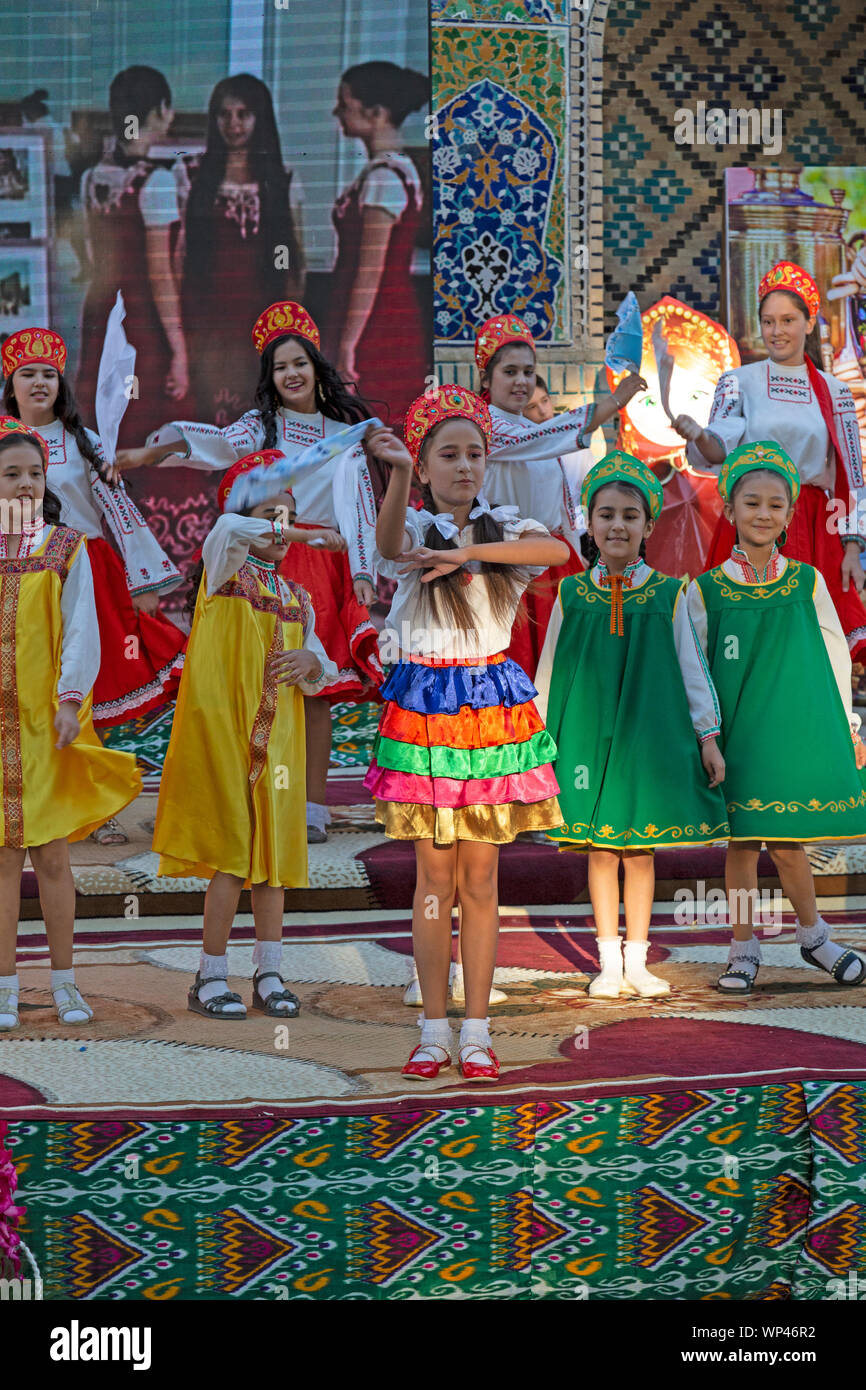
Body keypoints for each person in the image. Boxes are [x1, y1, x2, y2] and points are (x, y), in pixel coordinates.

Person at [365, 385, 567, 1080]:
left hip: (488, 708)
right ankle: (431, 1027)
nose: (463, 467)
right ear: (422, 467)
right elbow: (389, 544)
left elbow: (561, 551)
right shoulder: (418, 529)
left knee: (481, 878)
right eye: (447, 455)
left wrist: (474, 556)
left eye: (474, 454)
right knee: (433, 876)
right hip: (426, 708)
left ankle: (476, 1030)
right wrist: (395, 479)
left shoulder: (503, 527)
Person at [137, 301, 382, 842]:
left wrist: (362, 570)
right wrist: (158, 449)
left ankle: (311, 806)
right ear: (270, 379)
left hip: (329, 559)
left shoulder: (347, 431)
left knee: (315, 683)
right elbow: (219, 445)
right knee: (261, 681)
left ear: (317, 368)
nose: (291, 374)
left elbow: (361, 504)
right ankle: (251, 796)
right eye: (279, 367)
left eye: (300, 362)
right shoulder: (262, 426)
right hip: (271, 552)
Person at [535, 452, 728, 999]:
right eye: (605, 514)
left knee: (640, 848)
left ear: (648, 525)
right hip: (587, 733)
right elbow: (550, 669)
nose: (616, 524)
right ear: (588, 523)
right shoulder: (571, 594)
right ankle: (608, 962)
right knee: (598, 847)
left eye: (629, 515)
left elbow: (695, 669)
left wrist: (707, 738)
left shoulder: (672, 594)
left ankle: (638, 959)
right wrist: (539, 741)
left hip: (646, 733)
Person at [152, 450, 336, 1020]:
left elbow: (322, 674)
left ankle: (270, 971)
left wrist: (310, 659)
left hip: (278, 748)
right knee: (231, 856)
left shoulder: (297, 599)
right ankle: (209, 975)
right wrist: (302, 529)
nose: (281, 530)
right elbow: (232, 524)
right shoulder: (224, 569)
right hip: (226, 736)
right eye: (272, 517)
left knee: (275, 862)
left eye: (289, 515)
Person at [687, 441, 866, 994]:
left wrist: (848, 726)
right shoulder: (706, 590)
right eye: (752, 502)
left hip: (790, 733)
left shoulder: (808, 581)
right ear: (730, 508)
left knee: (788, 840)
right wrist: (707, 737)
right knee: (741, 845)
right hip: (737, 738)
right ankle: (744, 949)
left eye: (775, 504)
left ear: (790, 513)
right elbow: (694, 669)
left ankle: (812, 936)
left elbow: (836, 654)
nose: (763, 514)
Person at [0, 417, 141, 1031]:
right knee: (3, 862)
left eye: (35, 472)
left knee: (52, 859)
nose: (26, 484)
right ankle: (5, 986)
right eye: (11, 475)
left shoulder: (63, 548)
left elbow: (82, 631)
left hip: (41, 726)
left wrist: (67, 701)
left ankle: (64, 981)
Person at [675, 261, 866, 659]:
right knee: (746, 636)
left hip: (814, 524)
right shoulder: (739, 381)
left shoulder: (835, 392)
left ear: (809, 323)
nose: (777, 331)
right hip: (751, 520)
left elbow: (852, 474)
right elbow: (717, 450)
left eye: (788, 320)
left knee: (813, 640)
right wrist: (697, 435)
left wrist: (852, 549)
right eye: (768, 321)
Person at [1, 327, 185, 736]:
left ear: (60, 384)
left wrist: (143, 582)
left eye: (48, 375)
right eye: (27, 374)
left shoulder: (84, 441)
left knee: (88, 681)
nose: (39, 383)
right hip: (17, 571)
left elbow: (120, 510)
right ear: (11, 385)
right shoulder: (2, 440)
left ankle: (86, 779)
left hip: (85, 566)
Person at [475, 313, 646, 675]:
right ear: (486, 379)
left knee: (562, 668)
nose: (522, 381)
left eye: (528, 372)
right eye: (510, 372)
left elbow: (563, 498)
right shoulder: (485, 427)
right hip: (510, 562)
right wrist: (611, 403)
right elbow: (535, 440)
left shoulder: (534, 431)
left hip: (554, 561)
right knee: (521, 668)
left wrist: (578, 554)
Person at [182, 73, 305, 427]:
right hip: (207, 319)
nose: (233, 124)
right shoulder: (191, 176)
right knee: (208, 411)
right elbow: (178, 258)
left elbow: (295, 262)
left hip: (261, 316)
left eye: (243, 114)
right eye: (224, 114)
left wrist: (289, 331)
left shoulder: (282, 179)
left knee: (258, 410)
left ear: (260, 118)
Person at [76, 66, 191, 446]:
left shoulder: (92, 177)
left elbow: (94, 255)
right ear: (160, 110)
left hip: (100, 308)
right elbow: (160, 274)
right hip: (141, 321)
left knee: (104, 412)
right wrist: (179, 350)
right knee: (141, 421)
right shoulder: (156, 183)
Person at [326, 61, 430, 423]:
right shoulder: (383, 171)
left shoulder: (386, 177)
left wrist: (347, 346)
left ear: (376, 113)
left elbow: (369, 272)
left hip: (377, 324)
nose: (337, 112)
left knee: (372, 421)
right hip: (370, 316)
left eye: (345, 104)